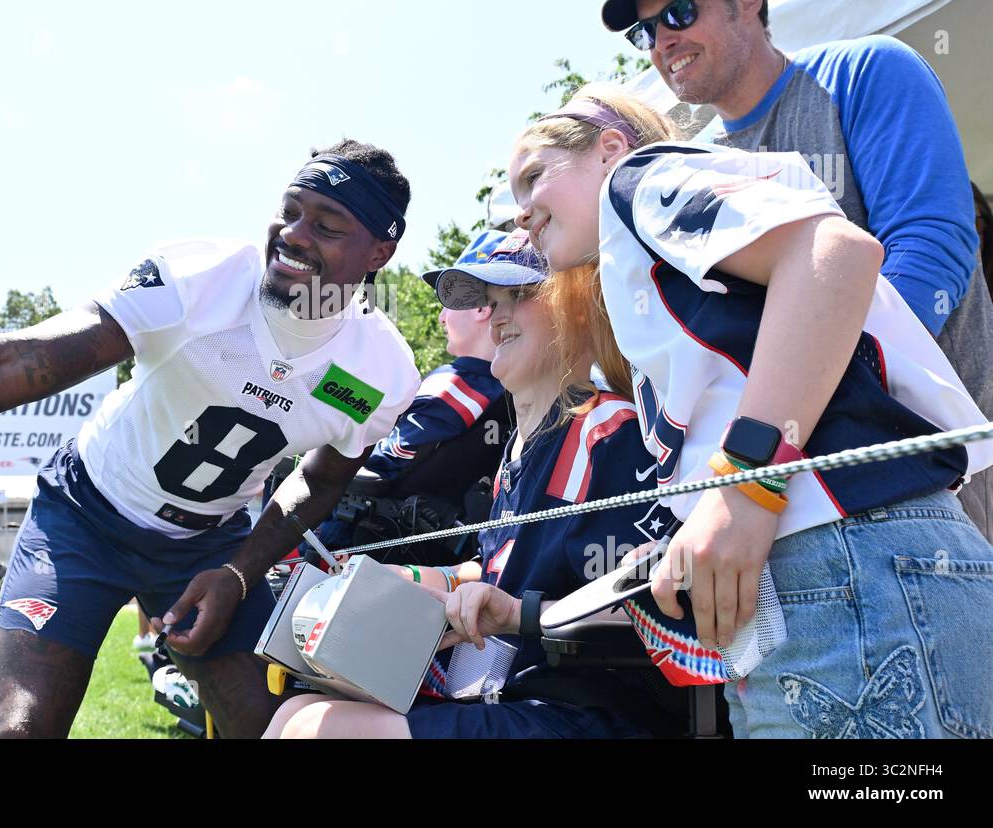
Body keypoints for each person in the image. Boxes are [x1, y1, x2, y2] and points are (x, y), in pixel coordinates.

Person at [0, 139, 421, 738]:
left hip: (208, 543)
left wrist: (239, 571)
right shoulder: (202, 280)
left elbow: (323, 477)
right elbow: (22, 363)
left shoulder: (374, 371)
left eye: (327, 224)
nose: (294, 234)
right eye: (291, 210)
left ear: (379, 253)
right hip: (86, 516)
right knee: (21, 728)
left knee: (269, 728)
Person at [509, 83, 993, 738]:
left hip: (843, 564)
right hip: (842, 573)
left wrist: (747, 485)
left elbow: (836, 254)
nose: (520, 212)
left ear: (610, 148)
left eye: (533, 176)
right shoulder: (644, 270)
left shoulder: (640, 179)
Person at [601, 0, 993, 538]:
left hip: (935, 493)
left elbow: (932, 245)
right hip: (788, 504)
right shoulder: (693, 162)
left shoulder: (866, 71)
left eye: (680, 10)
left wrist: (794, 426)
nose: (664, 40)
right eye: (647, 30)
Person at [267, 234, 665, 738]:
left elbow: (645, 604)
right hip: (514, 692)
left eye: (518, 297)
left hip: (586, 711)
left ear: (579, 306)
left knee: (319, 731)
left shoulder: (610, 431)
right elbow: (498, 568)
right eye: (490, 302)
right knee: (291, 711)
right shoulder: (521, 448)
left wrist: (515, 615)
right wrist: (407, 581)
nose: (496, 316)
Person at [303, 230, 511, 566]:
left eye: (449, 303)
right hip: (436, 566)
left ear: (479, 309)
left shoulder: (458, 384)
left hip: (361, 554)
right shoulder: (513, 395)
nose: (442, 316)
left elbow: (379, 467)